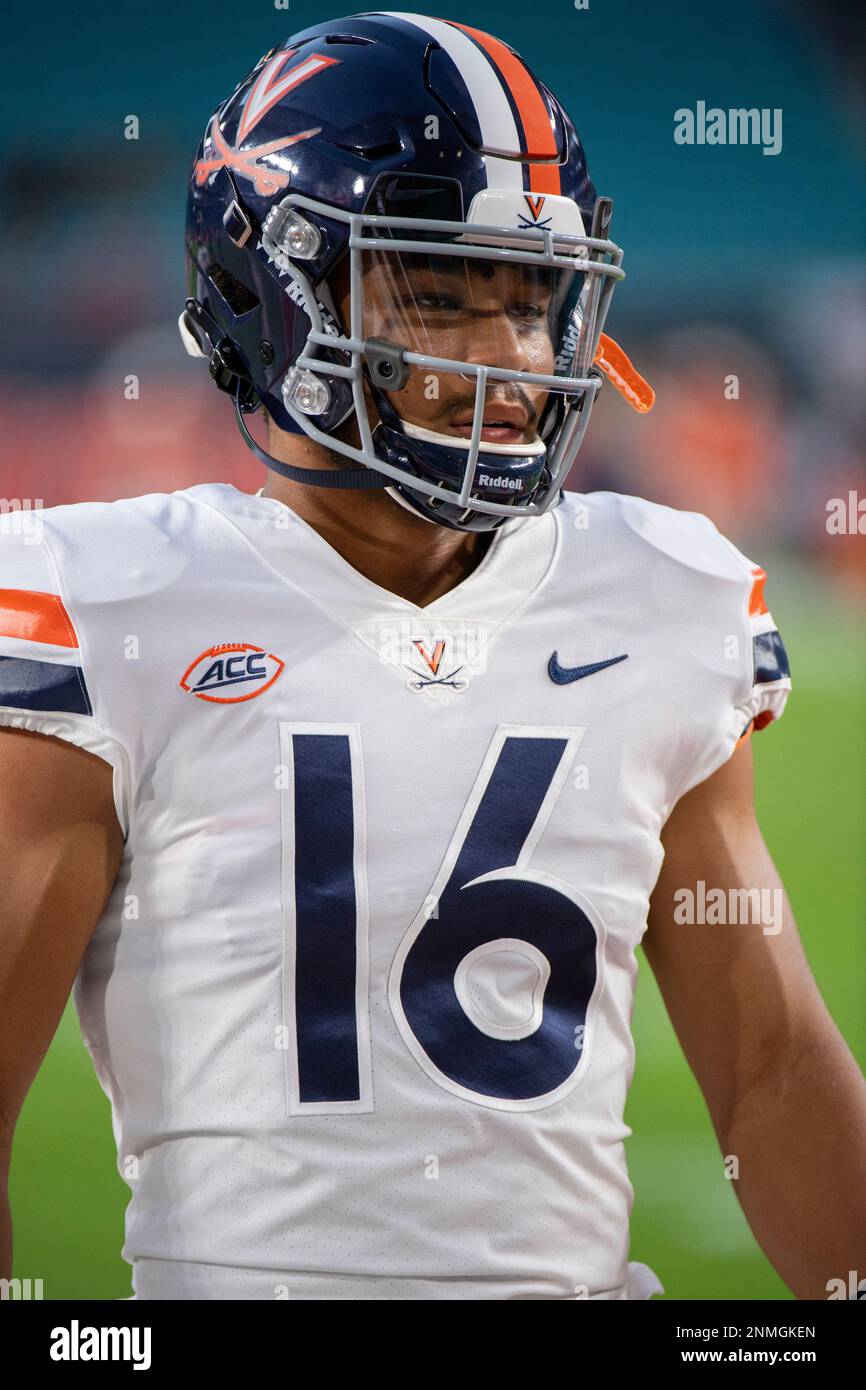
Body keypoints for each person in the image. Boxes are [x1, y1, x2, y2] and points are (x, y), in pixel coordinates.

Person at [1, 12, 864, 1302]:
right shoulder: (101, 608)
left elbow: (774, 1071)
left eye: (533, 302)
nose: (510, 360)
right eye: (439, 298)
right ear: (269, 297)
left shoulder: (668, 596)